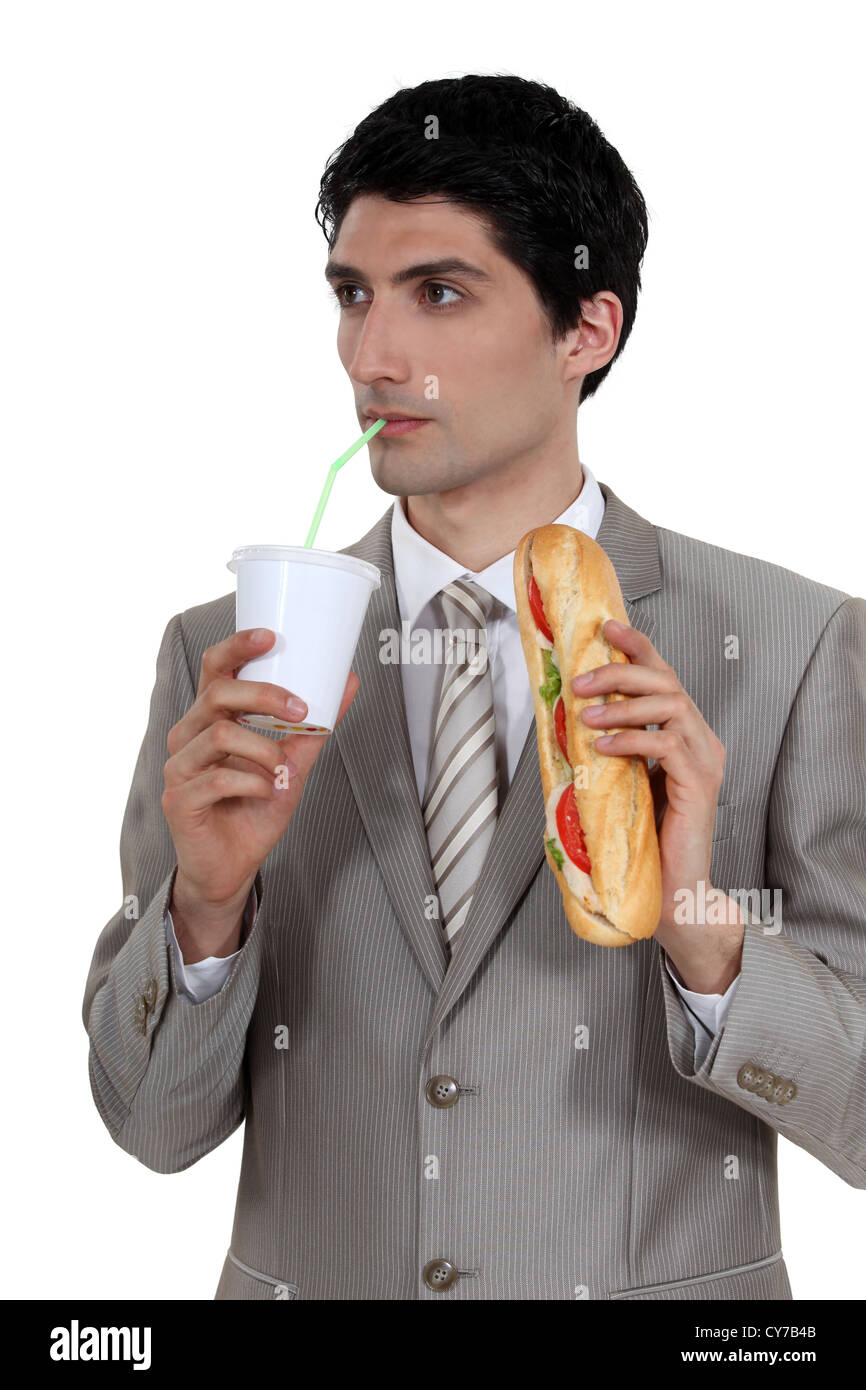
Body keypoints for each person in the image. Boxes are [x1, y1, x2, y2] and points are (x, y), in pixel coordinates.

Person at [83, 74, 866, 1301]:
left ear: (585, 331)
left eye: (436, 293)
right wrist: (204, 909)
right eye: (352, 295)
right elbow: (151, 1129)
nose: (372, 354)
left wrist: (702, 927)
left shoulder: (790, 643)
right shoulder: (224, 656)